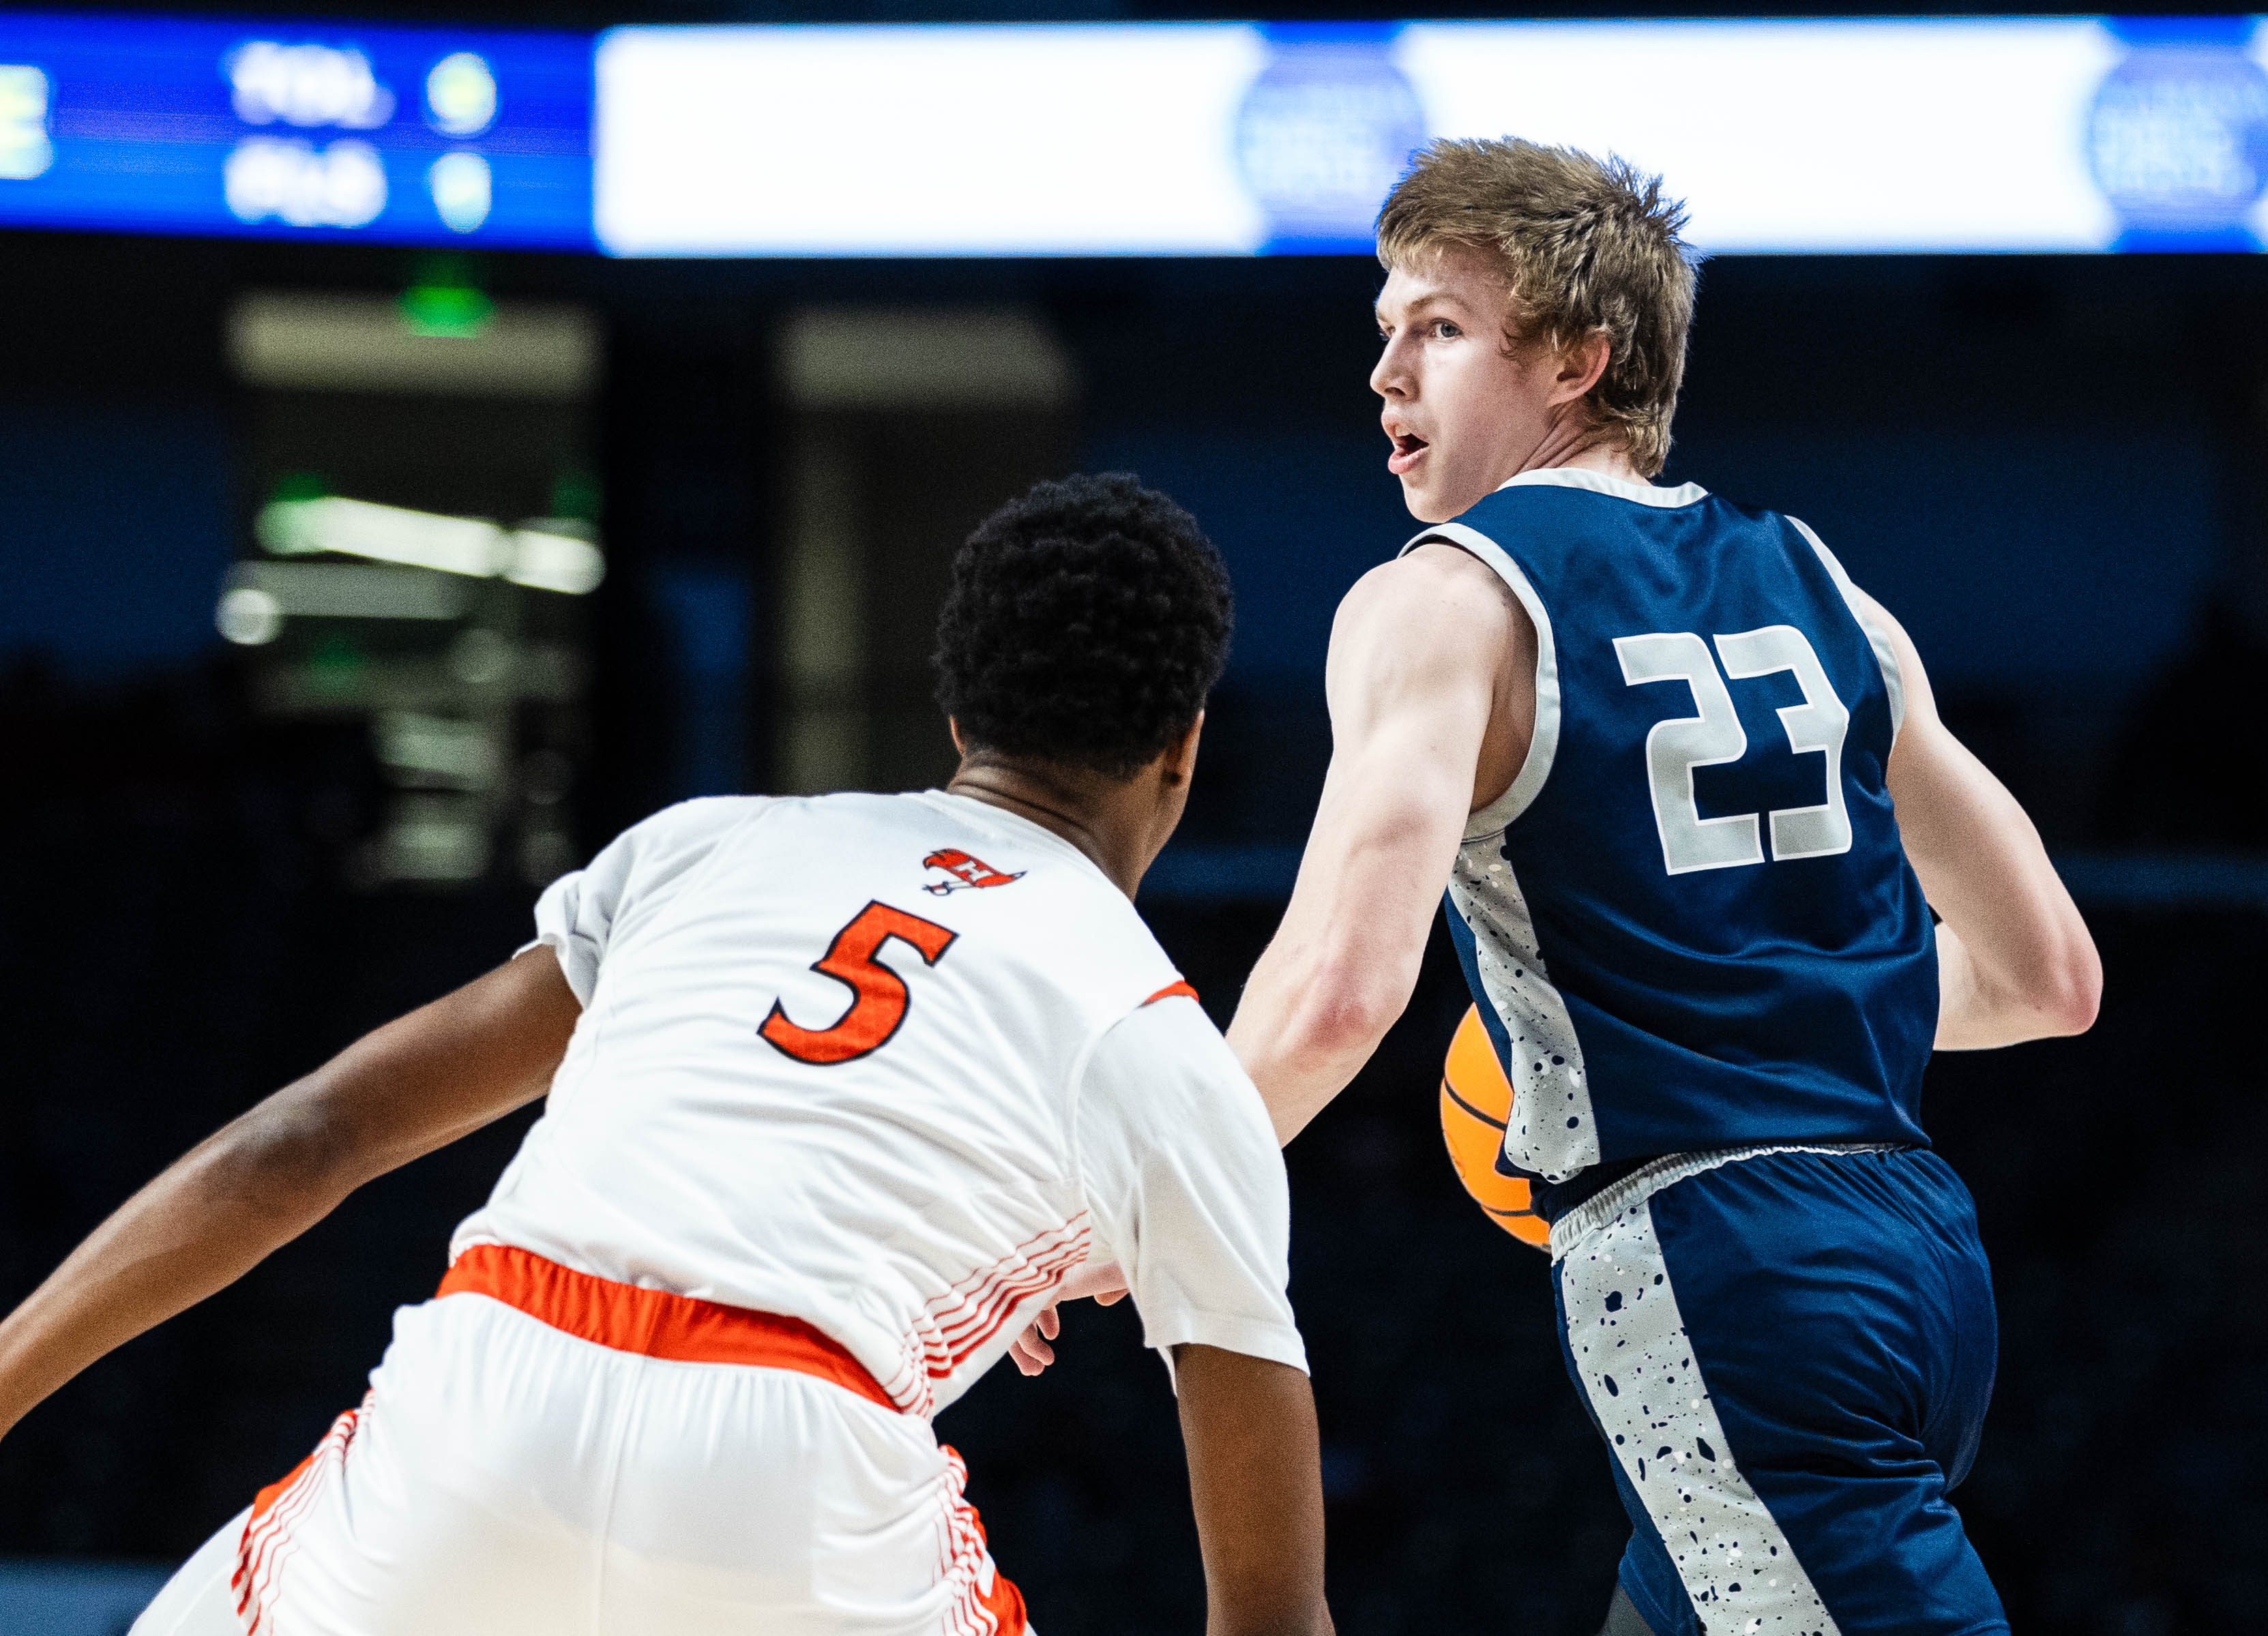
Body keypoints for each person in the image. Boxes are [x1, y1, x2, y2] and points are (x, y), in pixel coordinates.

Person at [1025, 140, 2102, 1635]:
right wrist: (1764, 1009)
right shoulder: (1820, 582)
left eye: (1440, 329)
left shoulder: (1444, 600)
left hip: (1714, 1273)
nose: (1385, 373)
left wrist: (1108, 1219)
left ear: (1579, 361)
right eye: (1383, 330)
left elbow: (1334, 994)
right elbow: (2051, 982)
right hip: (1919, 1252)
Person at [0, 473, 1334, 1636]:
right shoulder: (1163, 1042)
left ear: (955, 717)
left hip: (500, 1368)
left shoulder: (708, 845)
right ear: (1184, 746)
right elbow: (1268, 1609)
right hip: (793, 1468)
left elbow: (308, 1139)